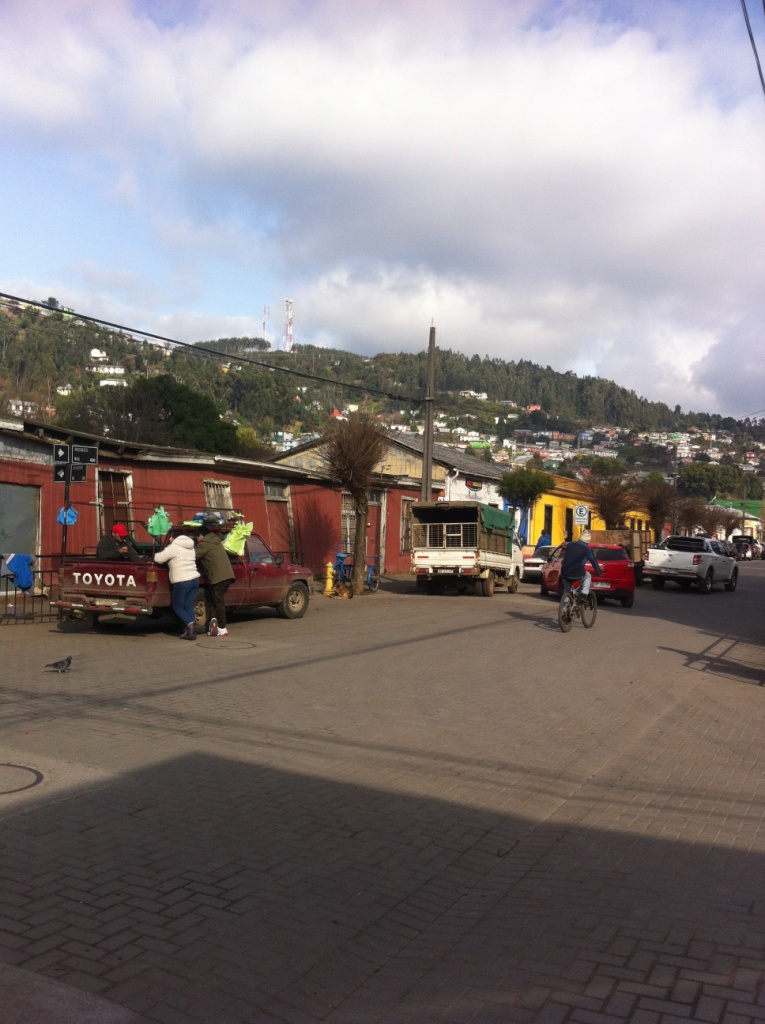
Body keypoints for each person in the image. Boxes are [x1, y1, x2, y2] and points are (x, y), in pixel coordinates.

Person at [154, 530, 200, 640]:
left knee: (177, 607)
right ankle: (189, 631)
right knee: (188, 606)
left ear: (175, 538)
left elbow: (158, 558)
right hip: (194, 579)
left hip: (182, 580)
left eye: (170, 537)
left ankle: (191, 625)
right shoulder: (191, 547)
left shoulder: (173, 547)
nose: (169, 539)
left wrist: (156, 553)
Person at [195, 525, 235, 637]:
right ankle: (214, 627)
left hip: (219, 577)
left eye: (197, 537)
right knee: (214, 601)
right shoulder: (215, 541)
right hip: (227, 575)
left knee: (218, 602)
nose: (197, 540)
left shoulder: (204, 544)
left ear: (201, 536)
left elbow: (193, 556)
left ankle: (222, 628)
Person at [559, 529, 602, 598]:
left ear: (579, 538)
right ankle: (584, 594)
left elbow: (566, 557)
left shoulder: (570, 545)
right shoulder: (587, 549)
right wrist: (598, 572)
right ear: (588, 541)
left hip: (564, 572)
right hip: (577, 573)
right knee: (588, 576)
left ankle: (565, 606)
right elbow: (594, 562)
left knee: (567, 590)